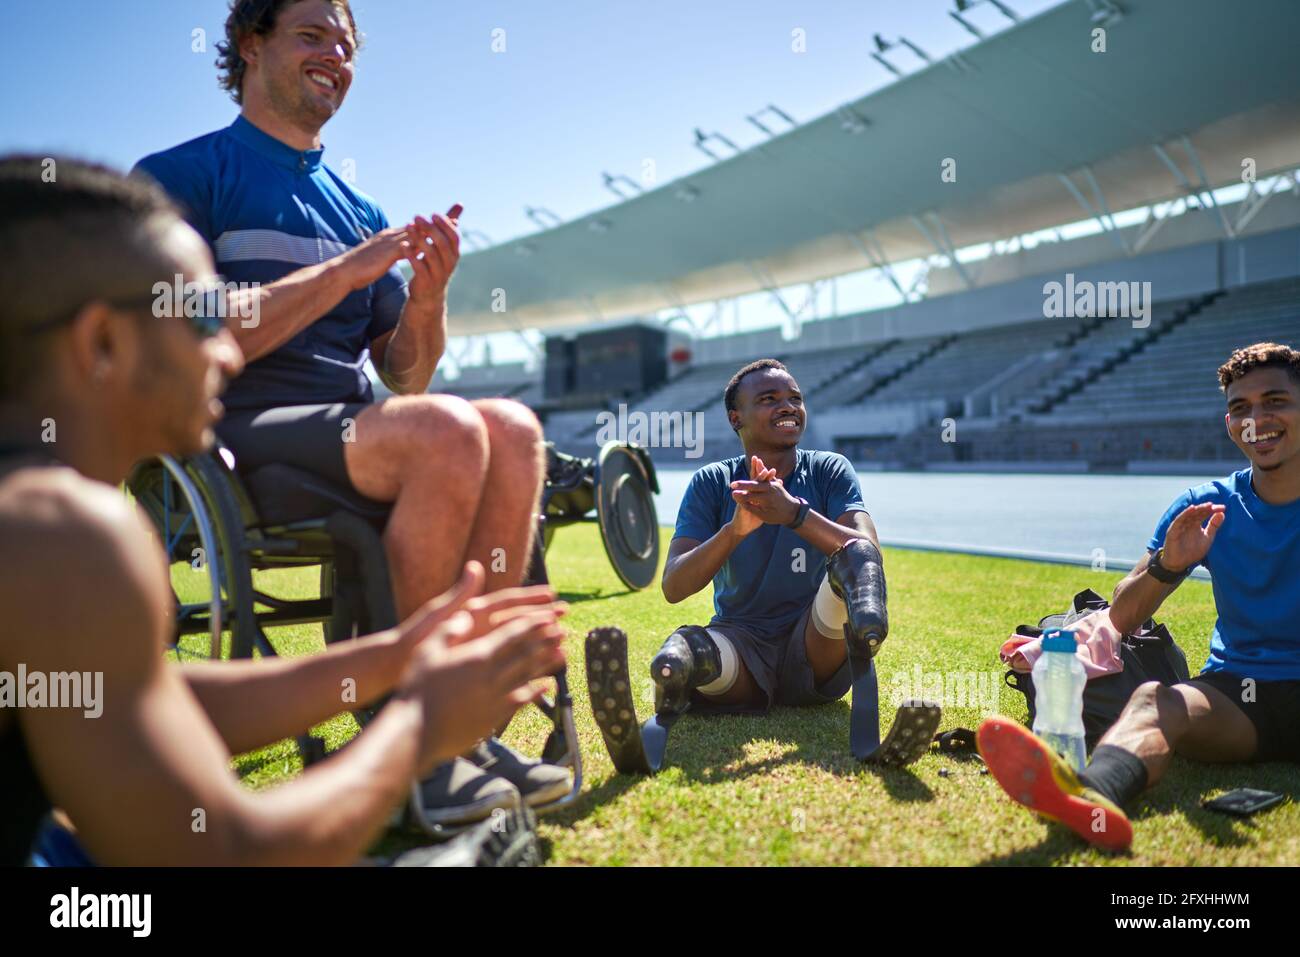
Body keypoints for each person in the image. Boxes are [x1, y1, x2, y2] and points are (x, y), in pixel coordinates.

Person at [0, 155, 566, 866]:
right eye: (206, 315)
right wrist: (418, 726)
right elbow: (226, 853)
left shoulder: (27, 523)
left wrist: (396, 656)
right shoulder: (60, 534)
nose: (228, 353)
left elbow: (133, 694)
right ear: (101, 343)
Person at [132, 0, 567, 823]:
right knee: (442, 429)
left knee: (512, 427)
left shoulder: (359, 208)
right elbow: (195, 336)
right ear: (251, 46)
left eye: (346, 41)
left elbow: (406, 374)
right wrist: (341, 274)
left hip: (355, 426)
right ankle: (411, 737)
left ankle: (463, 734)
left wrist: (429, 298)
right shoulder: (181, 175)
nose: (336, 52)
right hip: (230, 431)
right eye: (312, 33)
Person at [979, 341, 1300, 851]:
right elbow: (1122, 617)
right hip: (1241, 696)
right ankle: (1092, 797)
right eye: (1241, 408)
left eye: (1275, 401)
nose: (1256, 418)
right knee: (1153, 700)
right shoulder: (1205, 505)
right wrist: (1168, 564)